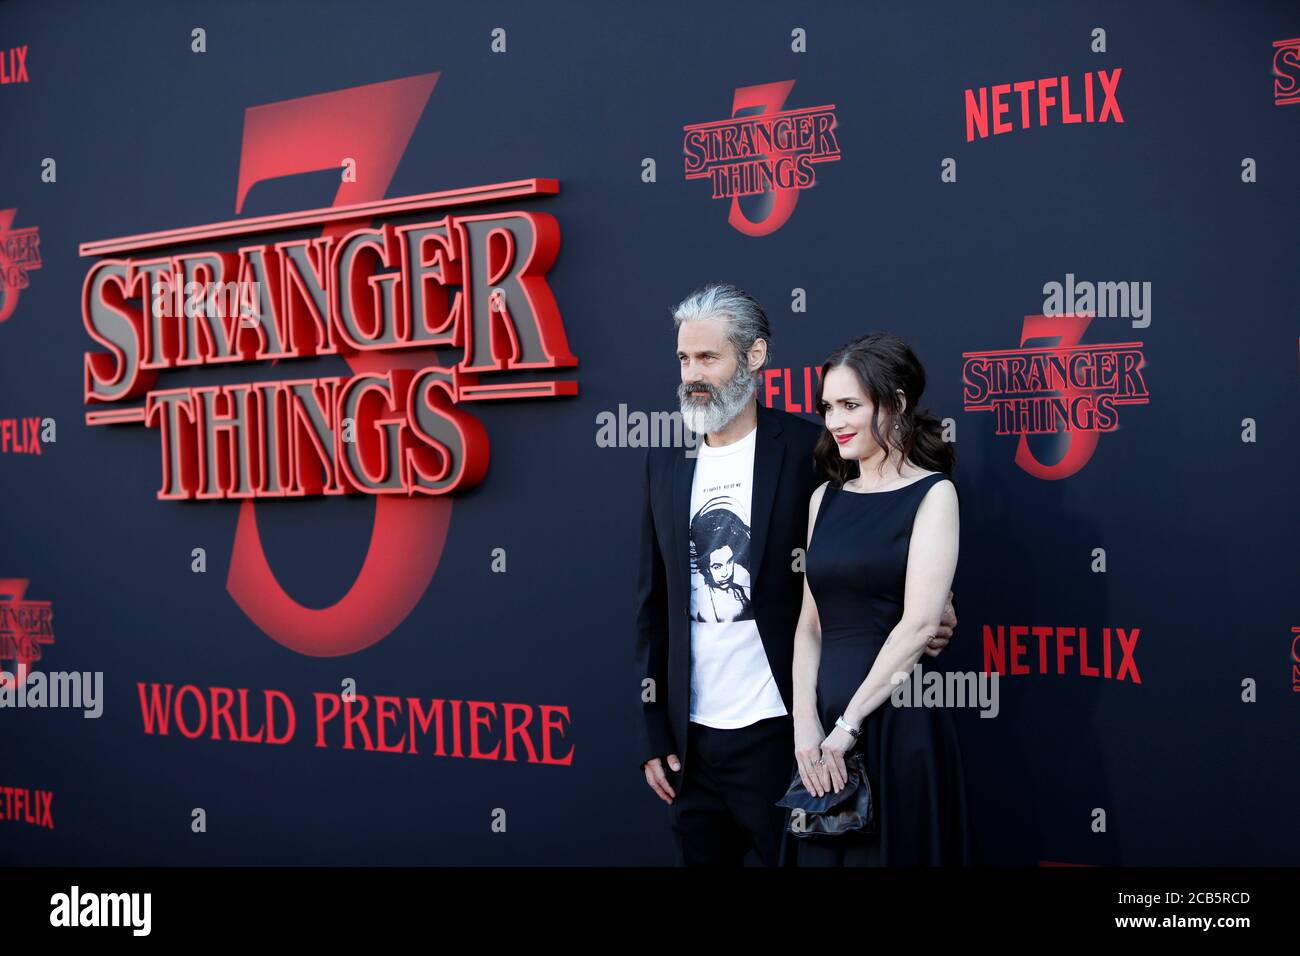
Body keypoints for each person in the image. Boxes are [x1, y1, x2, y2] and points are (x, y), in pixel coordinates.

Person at [634, 284, 959, 866]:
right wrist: (656, 730)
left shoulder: (815, 450)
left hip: (783, 730)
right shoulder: (665, 459)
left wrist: (937, 611)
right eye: (684, 358)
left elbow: (875, 540)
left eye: (708, 357)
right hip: (692, 740)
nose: (692, 373)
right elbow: (653, 600)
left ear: (755, 356)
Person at [783, 332, 973, 865]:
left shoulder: (934, 494)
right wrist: (805, 725)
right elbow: (809, 624)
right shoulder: (826, 497)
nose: (835, 421)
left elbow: (918, 625)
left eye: (850, 405)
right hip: (821, 731)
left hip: (896, 722)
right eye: (827, 407)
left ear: (894, 404)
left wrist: (848, 726)